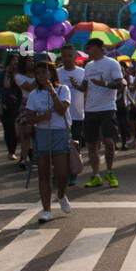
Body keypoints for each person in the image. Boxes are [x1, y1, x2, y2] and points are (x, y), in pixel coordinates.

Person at [24, 60, 72, 223]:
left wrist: (52, 91)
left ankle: (61, 194)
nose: (41, 76)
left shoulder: (62, 89)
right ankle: (46, 209)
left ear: (52, 73)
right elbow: (29, 118)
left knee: (61, 173)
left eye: (44, 72)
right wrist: (41, 117)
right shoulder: (34, 94)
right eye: (38, 74)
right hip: (42, 133)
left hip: (59, 133)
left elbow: (62, 109)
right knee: (43, 173)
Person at [81, 38, 124, 188]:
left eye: (90, 48)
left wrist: (104, 83)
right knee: (92, 144)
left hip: (107, 108)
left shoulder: (112, 63)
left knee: (109, 142)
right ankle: (96, 174)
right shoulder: (88, 66)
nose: (88, 51)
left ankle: (110, 171)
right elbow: (84, 86)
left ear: (99, 48)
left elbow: (120, 84)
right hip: (90, 109)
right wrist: (76, 86)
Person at [56, 45, 86, 186]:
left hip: (77, 114)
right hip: (60, 116)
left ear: (75, 57)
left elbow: (87, 92)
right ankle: (60, 172)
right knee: (60, 147)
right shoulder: (56, 73)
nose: (67, 58)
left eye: (70, 55)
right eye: (64, 56)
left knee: (75, 145)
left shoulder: (82, 73)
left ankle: (73, 171)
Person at [0, 54, 23, 160]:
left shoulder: (19, 74)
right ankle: (11, 150)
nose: (15, 62)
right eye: (13, 60)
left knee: (18, 129)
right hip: (6, 105)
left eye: (16, 60)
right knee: (8, 129)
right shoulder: (3, 74)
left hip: (19, 105)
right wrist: (8, 94)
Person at [14, 56, 36, 169]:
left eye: (33, 60)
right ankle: (23, 158)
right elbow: (30, 87)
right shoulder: (18, 76)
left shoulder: (38, 74)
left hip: (39, 104)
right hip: (26, 104)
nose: (31, 63)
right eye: (28, 60)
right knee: (25, 133)